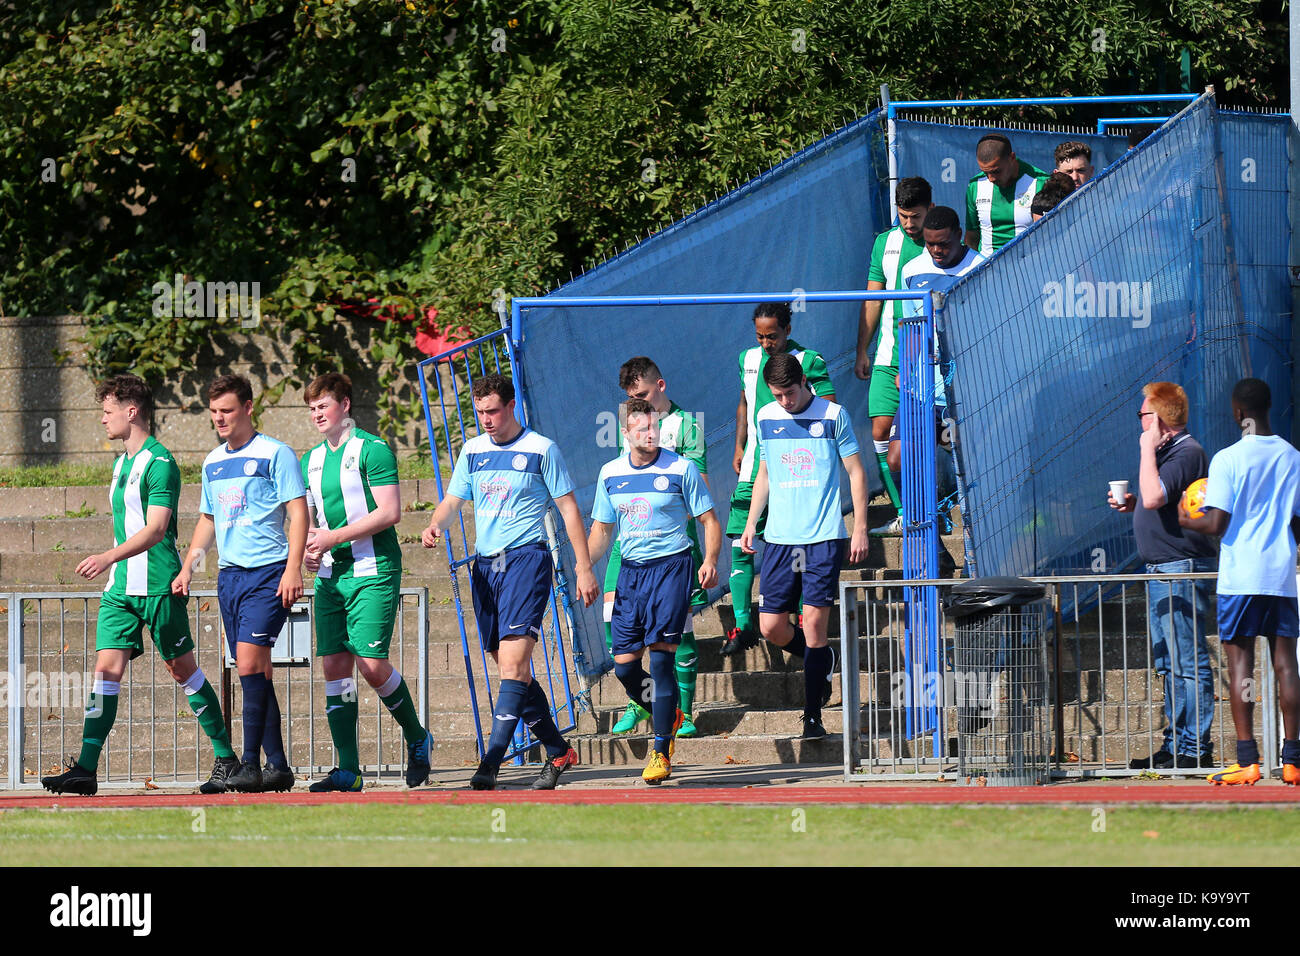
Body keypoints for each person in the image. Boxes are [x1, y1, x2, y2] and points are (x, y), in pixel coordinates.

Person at [41, 375, 238, 796]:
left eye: (108, 411)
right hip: (120, 590)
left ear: (132, 411)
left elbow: (156, 529)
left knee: (181, 670)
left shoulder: (160, 462)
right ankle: (86, 770)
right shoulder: (121, 463)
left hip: (155, 585)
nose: (102, 419)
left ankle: (226, 757)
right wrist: (113, 565)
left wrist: (107, 556)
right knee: (104, 673)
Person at [422, 374, 599, 790]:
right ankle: (559, 752)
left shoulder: (541, 449)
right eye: (480, 412)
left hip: (526, 561)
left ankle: (490, 763)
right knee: (511, 670)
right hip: (487, 569)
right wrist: (435, 524)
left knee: (515, 665)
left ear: (511, 405)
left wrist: (583, 566)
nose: (486, 419)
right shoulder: (473, 450)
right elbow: (453, 501)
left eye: (493, 411)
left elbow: (569, 509)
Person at [172, 374, 308, 793]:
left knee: (248, 665)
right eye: (214, 412)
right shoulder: (213, 461)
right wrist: (190, 565)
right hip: (230, 577)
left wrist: (294, 567)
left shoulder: (276, 454)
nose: (220, 419)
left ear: (248, 408)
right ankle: (279, 766)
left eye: (227, 410)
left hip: (268, 572)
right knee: (256, 671)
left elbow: (299, 513)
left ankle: (248, 764)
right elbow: (209, 520)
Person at [300, 372, 434, 792]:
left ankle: (417, 736)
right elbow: (312, 522)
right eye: (311, 408)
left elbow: (390, 512)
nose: (316, 413)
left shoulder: (372, 450)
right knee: (335, 668)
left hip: (372, 569)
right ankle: (349, 769)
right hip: (330, 577)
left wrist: (332, 537)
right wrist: (309, 548)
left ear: (344, 404)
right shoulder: (311, 460)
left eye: (323, 405)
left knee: (371, 664)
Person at [588, 398, 721, 782]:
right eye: (642, 429)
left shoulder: (681, 468)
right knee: (624, 667)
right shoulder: (610, 473)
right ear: (625, 433)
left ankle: (661, 750)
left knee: (662, 661)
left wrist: (710, 559)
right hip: (630, 574)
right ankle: (669, 709)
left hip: (672, 570)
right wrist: (583, 566)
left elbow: (709, 520)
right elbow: (601, 530)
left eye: (654, 427)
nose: (650, 434)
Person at [740, 353, 870, 739]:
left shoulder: (833, 416)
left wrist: (860, 526)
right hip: (779, 539)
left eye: (790, 393)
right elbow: (764, 472)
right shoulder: (765, 417)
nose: (784, 401)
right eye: (777, 395)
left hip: (823, 537)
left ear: (804, 383)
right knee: (772, 628)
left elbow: (856, 471)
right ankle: (823, 660)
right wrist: (751, 524)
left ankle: (812, 717)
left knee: (813, 624)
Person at [1179, 378, 1300, 786]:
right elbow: (1297, 521)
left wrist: (1183, 516)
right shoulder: (1292, 457)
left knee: (1241, 670)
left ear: (1237, 413)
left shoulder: (1227, 459)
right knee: (1286, 666)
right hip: (1279, 574)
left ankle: (1248, 759)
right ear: (1270, 408)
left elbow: (1214, 522)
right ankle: (1293, 759)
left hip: (1241, 578)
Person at [1108, 382, 1217, 770]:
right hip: (1162, 568)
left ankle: (1194, 747)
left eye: (1143, 416)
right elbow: (1157, 500)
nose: (1139, 423)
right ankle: (1176, 743)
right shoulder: (1169, 452)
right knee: (1168, 662)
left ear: (1158, 419)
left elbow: (1155, 496)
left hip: (1179, 567)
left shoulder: (1186, 451)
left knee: (1187, 660)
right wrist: (1135, 505)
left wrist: (1144, 449)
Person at [605, 357, 710, 738]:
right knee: (620, 634)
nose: (638, 403)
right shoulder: (630, 424)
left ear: (661, 386)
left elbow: (700, 484)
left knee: (675, 634)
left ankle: (685, 710)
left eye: (644, 394)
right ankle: (642, 701)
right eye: (631, 398)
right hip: (628, 546)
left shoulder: (687, 425)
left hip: (672, 549)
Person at [724, 301, 836, 656]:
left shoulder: (809, 361)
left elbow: (829, 411)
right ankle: (742, 625)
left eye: (772, 335)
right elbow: (743, 402)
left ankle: (804, 616)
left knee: (798, 543)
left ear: (788, 330)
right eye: (759, 336)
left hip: (794, 469)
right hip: (756, 464)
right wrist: (740, 443)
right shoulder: (747, 359)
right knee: (740, 540)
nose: (765, 342)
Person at [873, 206, 987, 533]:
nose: (936, 251)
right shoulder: (912, 270)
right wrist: (906, 368)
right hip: (921, 384)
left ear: (959, 238)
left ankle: (958, 520)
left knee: (963, 462)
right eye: (930, 244)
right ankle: (929, 523)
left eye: (944, 244)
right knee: (897, 458)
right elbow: (910, 324)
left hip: (962, 386)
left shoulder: (980, 267)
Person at [855, 176, 933, 537]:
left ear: (929, 208)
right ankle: (904, 511)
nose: (909, 223)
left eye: (914, 216)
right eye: (903, 216)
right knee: (880, 432)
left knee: (938, 437)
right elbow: (872, 299)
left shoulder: (942, 241)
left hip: (930, 359)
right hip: (889, 356)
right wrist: (862, 349)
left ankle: (936, 502)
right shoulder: (884, 243)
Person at [964, 133, 1049, 256]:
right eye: (985, 172)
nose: (991, 178)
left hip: (1030, 269)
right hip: (988, 270)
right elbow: (972, 236)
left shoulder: (1041, 183)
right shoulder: (975, 186)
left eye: (996, 171)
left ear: (1012, 158)